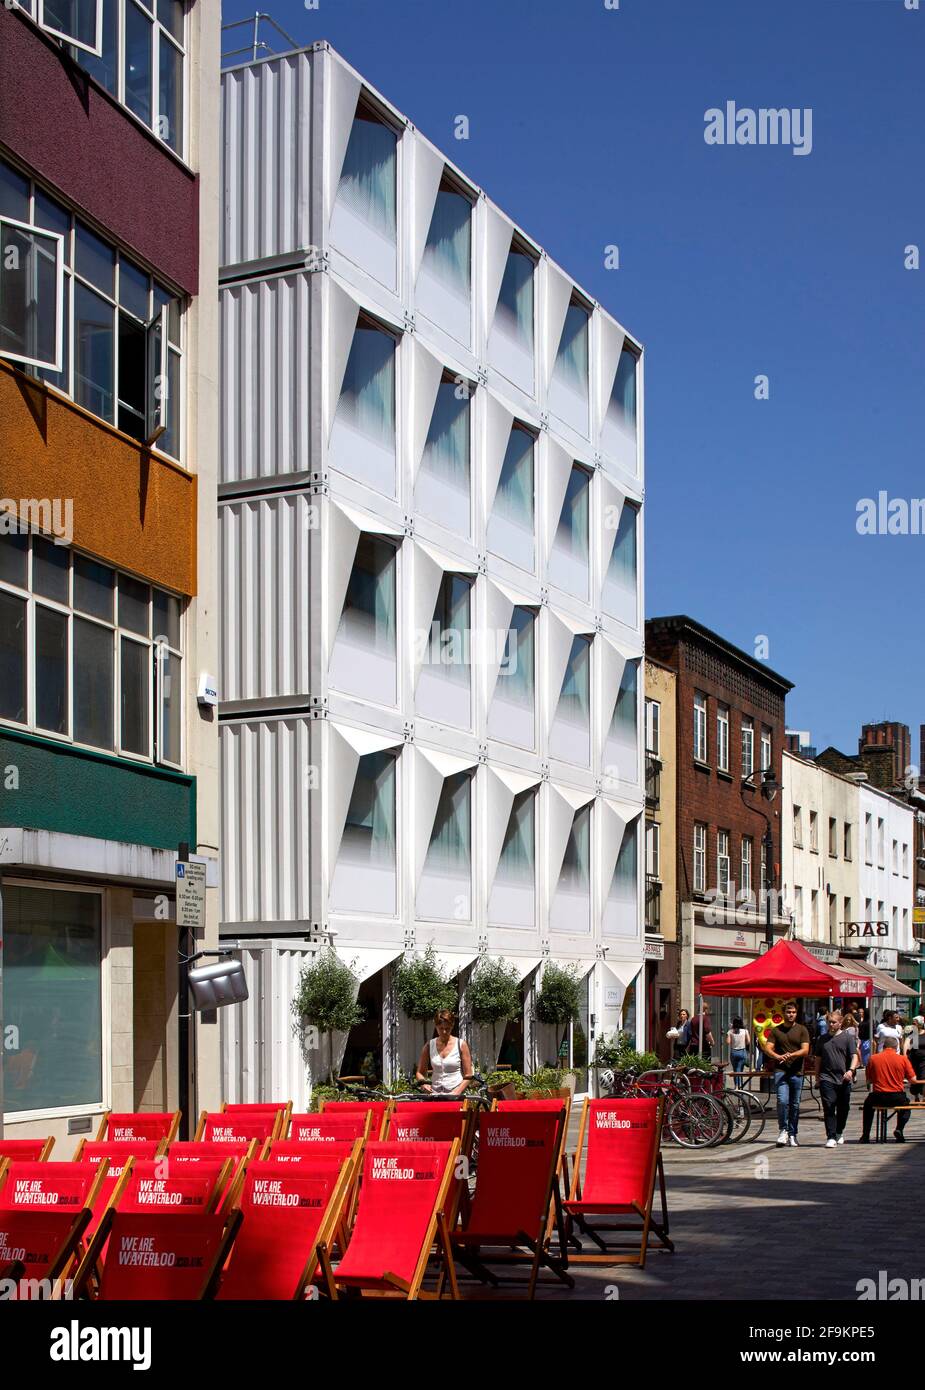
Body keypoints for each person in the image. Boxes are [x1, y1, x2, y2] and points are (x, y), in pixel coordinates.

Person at [761, 1000, 810, 1147]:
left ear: (796, 1013)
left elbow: (805, 1050)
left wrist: (792, 1055)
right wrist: (777, 1056)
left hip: (797, 1071)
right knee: (782, 1101)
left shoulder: (802, 1029)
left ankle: (793, 1133)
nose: (791, 1014)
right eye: (788, 1012)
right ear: (783, 1013)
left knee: (794, 1104)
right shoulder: (777, 1030)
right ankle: (783, 1130)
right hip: (780, 1071)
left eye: (793, 1012)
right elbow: (767, 1048)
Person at [814, 1011, 859, 1148]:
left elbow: (854, 1056)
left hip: (843, 1078)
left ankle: (839, 1131)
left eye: (834, 1022)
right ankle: (831, 1136)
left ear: (840, 1023)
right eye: (829, 1022)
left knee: (843, 1108)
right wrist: (817, 1077)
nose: (831, 1024)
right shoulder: (822, 1039)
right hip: (826, 1078)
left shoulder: (847, 1038)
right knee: (829, 1106)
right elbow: (818, 1059)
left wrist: (851, 1070)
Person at [859, 1036, 917, 1142]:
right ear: (896, 1047)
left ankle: (865, 1134)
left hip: (878, 1096)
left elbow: (869, 1081)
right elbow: (913, 1080)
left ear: (883, 1047)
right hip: (897, 1096)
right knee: (906, 1105)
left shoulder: (873, 1058)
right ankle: (899, 1129)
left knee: (867, 1105)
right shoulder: (903, 1059)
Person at [416, 1009, 473, 1097]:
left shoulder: (461, 1045)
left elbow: (468, 1075)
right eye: (441, 1028)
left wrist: (458, 1091)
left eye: (447, 1028)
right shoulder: (429, 1045)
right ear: (436, 1026)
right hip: (435, 1094)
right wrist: (423, 1084)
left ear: (452, 1026)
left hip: (456, 1093)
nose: (444, 1032)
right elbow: (420, 1072)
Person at [726, 1017, 750, 1088]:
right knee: (740, 1069)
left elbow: (728, 1042)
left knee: (735, 1070)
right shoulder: (745, 1031)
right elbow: (748, 1041)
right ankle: (740, 1085)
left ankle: (736, 1086)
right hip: (742, 1051)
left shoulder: (730, 1031)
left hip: (734, 1052)